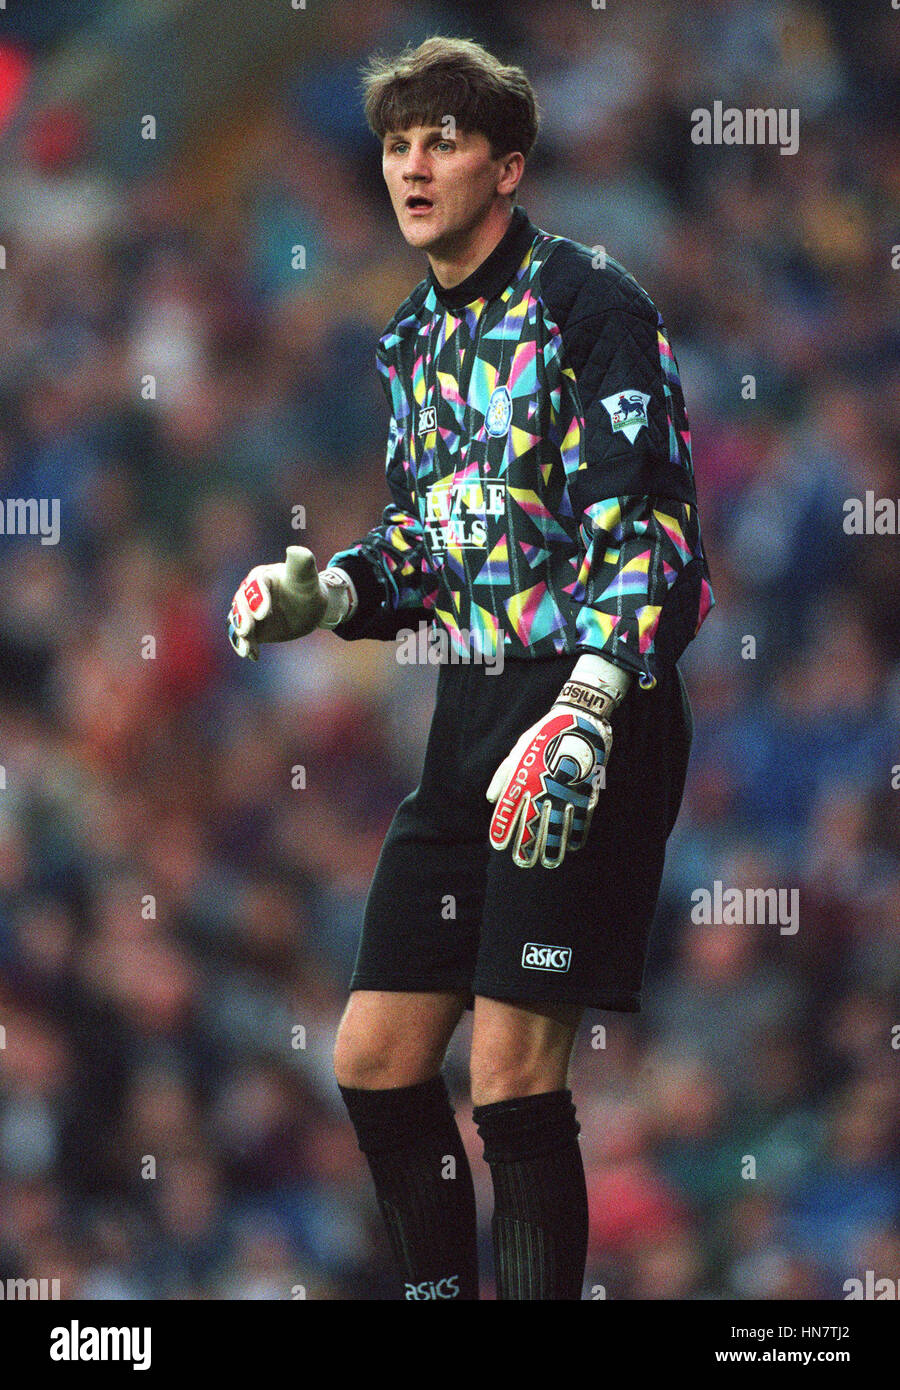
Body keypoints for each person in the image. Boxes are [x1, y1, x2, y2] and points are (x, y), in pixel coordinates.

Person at [227, 36, 714, 1301]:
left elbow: (653, 541)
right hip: (473, 706)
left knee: (510, 1071)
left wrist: (593, 708)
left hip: (590, 697)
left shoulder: (589, 303)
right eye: (397, 143)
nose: (413, 165)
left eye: (443, 139)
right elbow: (427, 549)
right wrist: (325, 590)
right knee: (378, 1058)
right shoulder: (413, 339)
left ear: (509, 166)